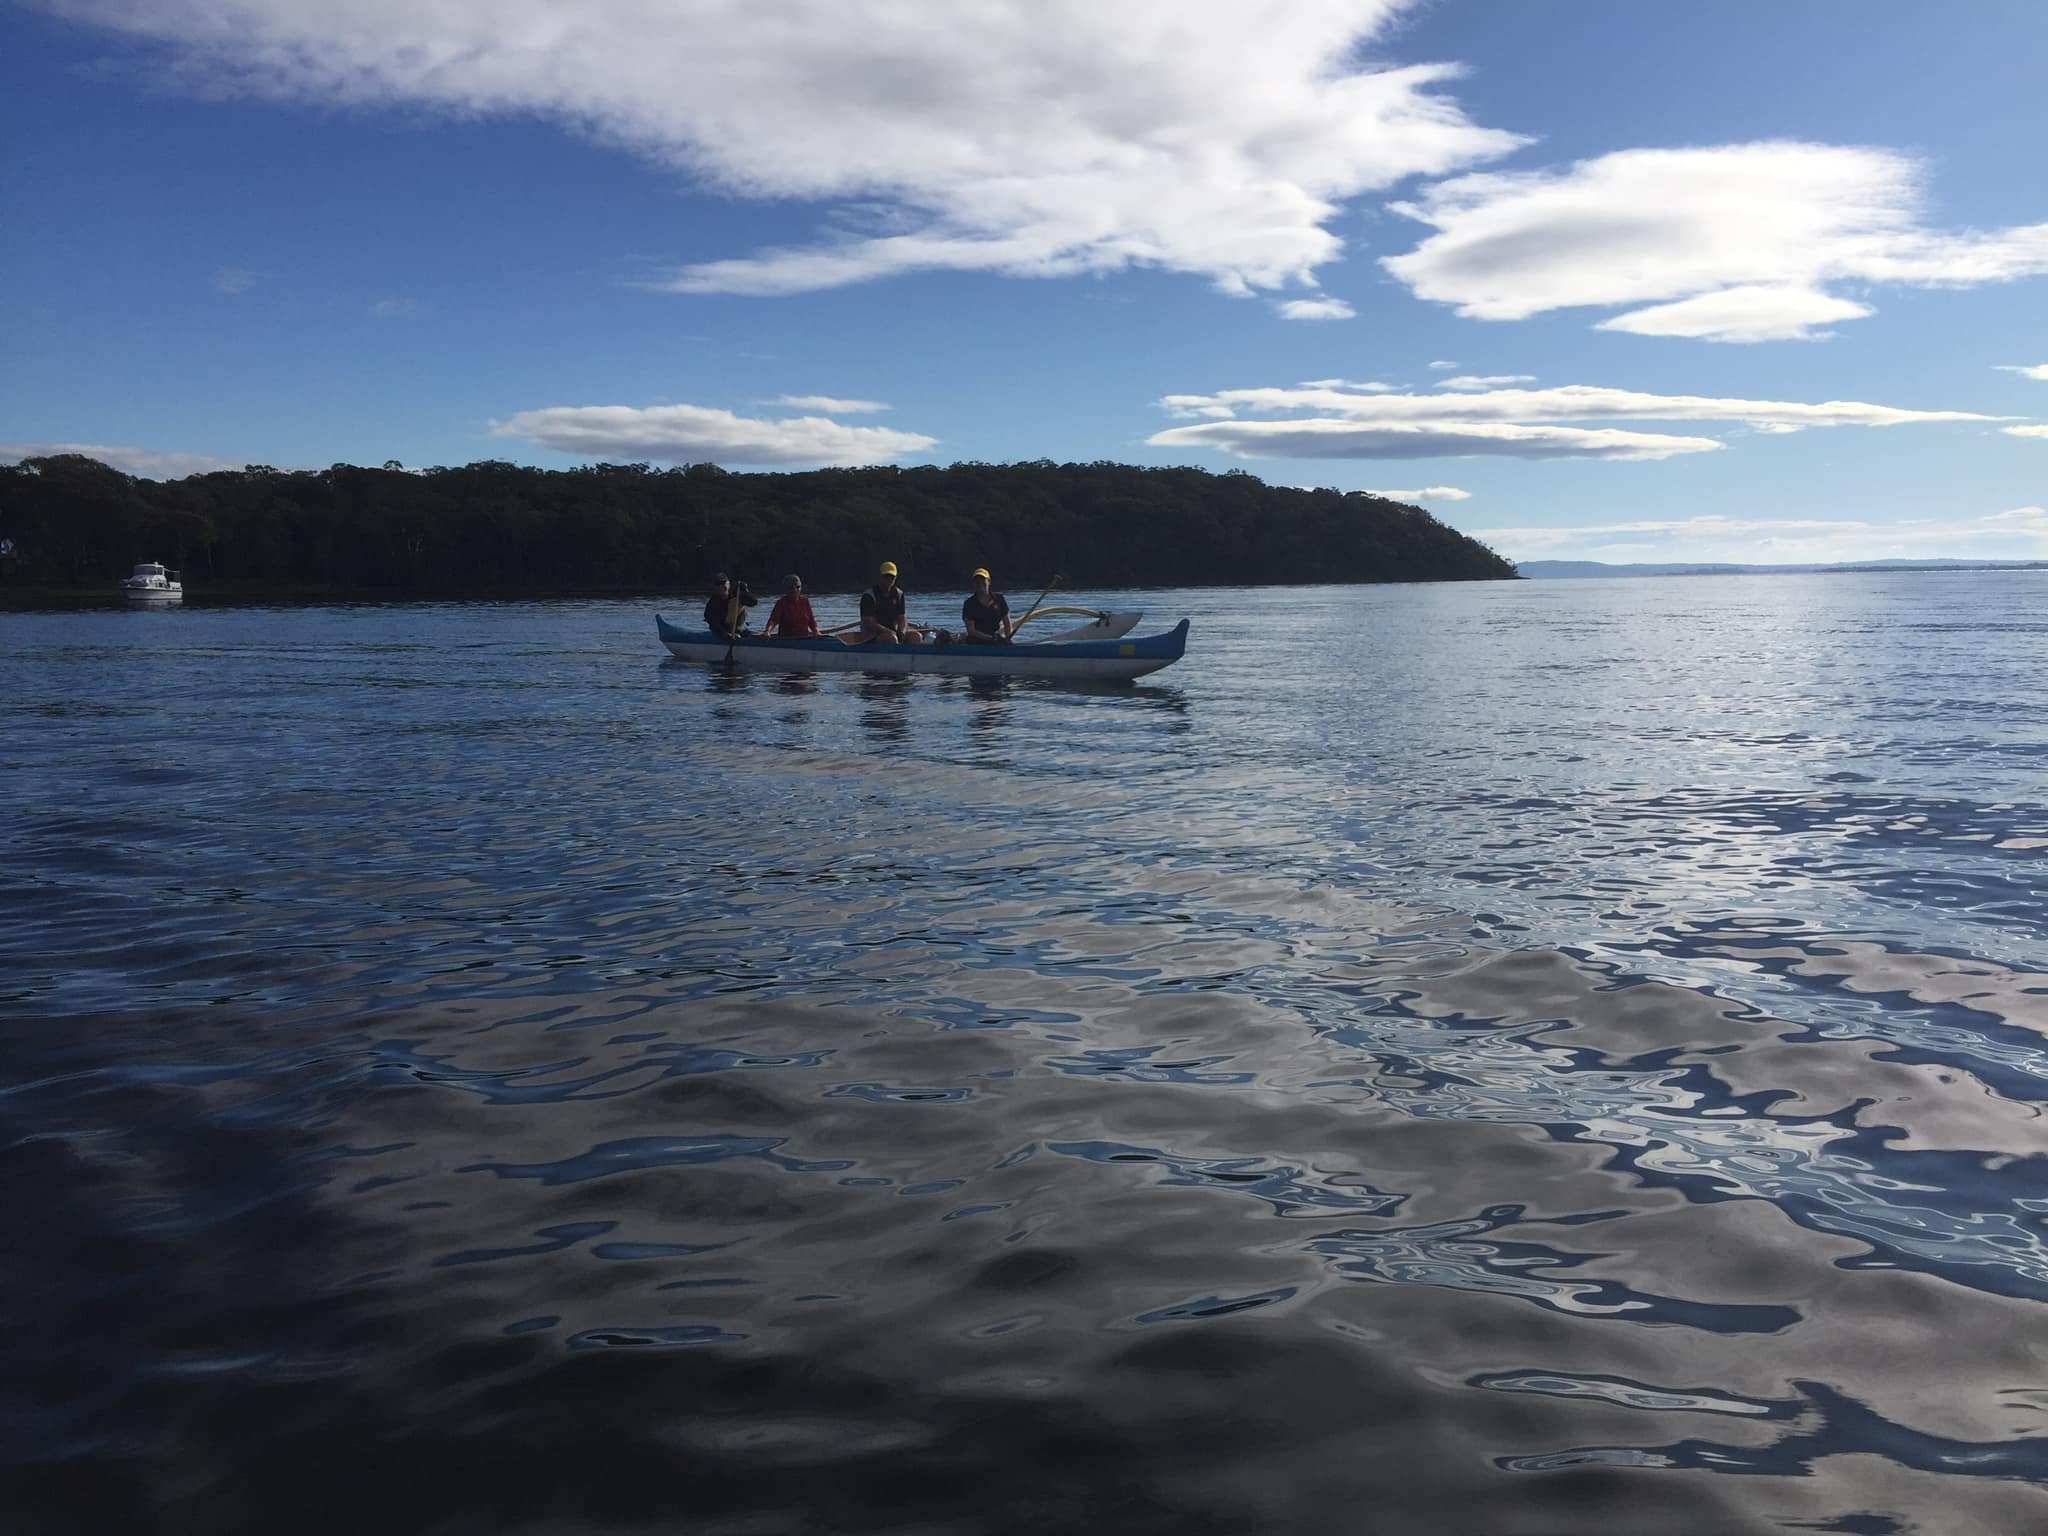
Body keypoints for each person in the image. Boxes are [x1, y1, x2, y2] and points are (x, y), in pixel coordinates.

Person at [856, 560, 923, 644]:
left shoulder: (899, 594)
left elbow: (902, 618)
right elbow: (868, 622)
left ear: (895, 578)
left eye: (892, 577)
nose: (889, 579)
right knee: (892, 638)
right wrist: (888, 631)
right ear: (880, 576)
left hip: (892, 631)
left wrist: (902, 632)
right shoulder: (869, 596)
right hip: (872, 634)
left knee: (916, 636)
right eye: (886, 576)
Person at [960, 567, 1010, 643]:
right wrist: (990, 639)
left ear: (989, 581)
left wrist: (1007, 639)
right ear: (973, 584)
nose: (980, 584)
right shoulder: (969, 604)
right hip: (976, 643)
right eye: (977, 581)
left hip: (996, 640)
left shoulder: (999, 599)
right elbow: (971, 631)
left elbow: (1007, 624)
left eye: (983, 580)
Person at [703, 573, 755, 639]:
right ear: (715, 587)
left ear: (729, 583)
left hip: (738, 627)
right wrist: (724, 634)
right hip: (721, 629)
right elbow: (711, 621)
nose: (721, 586)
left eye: (723, 583)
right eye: (718, 584)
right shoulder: (713, 603)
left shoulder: (737, 595)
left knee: (744, 631)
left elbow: (753, 602)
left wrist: (745, 591)